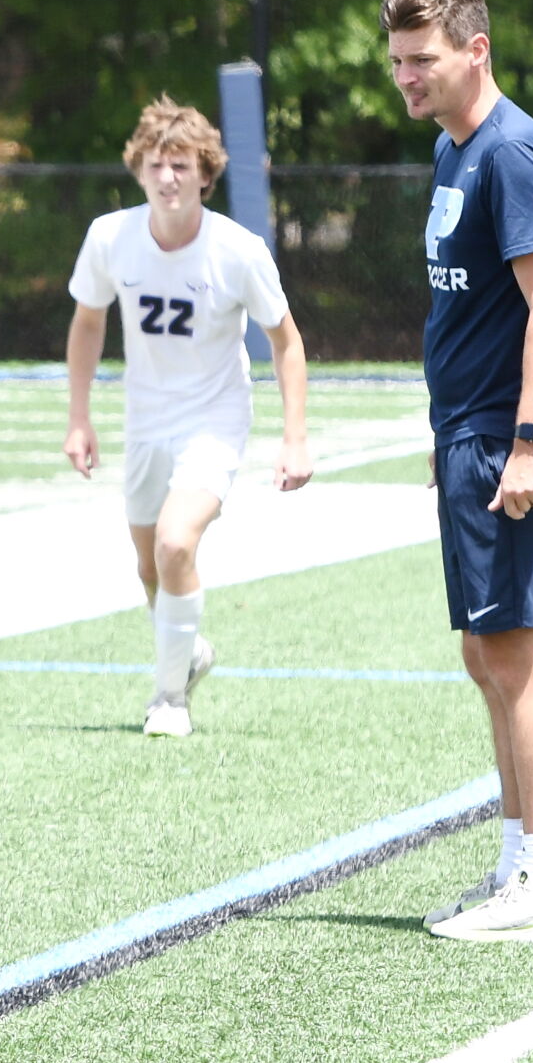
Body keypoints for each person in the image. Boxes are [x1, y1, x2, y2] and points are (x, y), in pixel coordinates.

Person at [382, 0, 533, 941]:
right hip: (467, 433)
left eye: (421, 60)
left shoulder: (511, 152)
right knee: (484, 652)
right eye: (395, 63)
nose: (406, 78)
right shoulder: (450, 150)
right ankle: (515, 864)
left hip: (513, 437)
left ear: (475, 49)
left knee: (519, 651)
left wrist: (528, 442)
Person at [61, 97, 312, 738]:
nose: (167, 177)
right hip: (145, 421)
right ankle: (189, 652)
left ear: (205, 173)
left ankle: (168, 698)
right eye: (155, 164)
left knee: (177, 541)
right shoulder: (109, 237)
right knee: (151, 568)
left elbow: (285, 340)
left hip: (214, 418)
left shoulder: (238, 249)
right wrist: (79, 418)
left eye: (181, 164)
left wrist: (294, 438)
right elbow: (88, 321)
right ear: (137, 170)